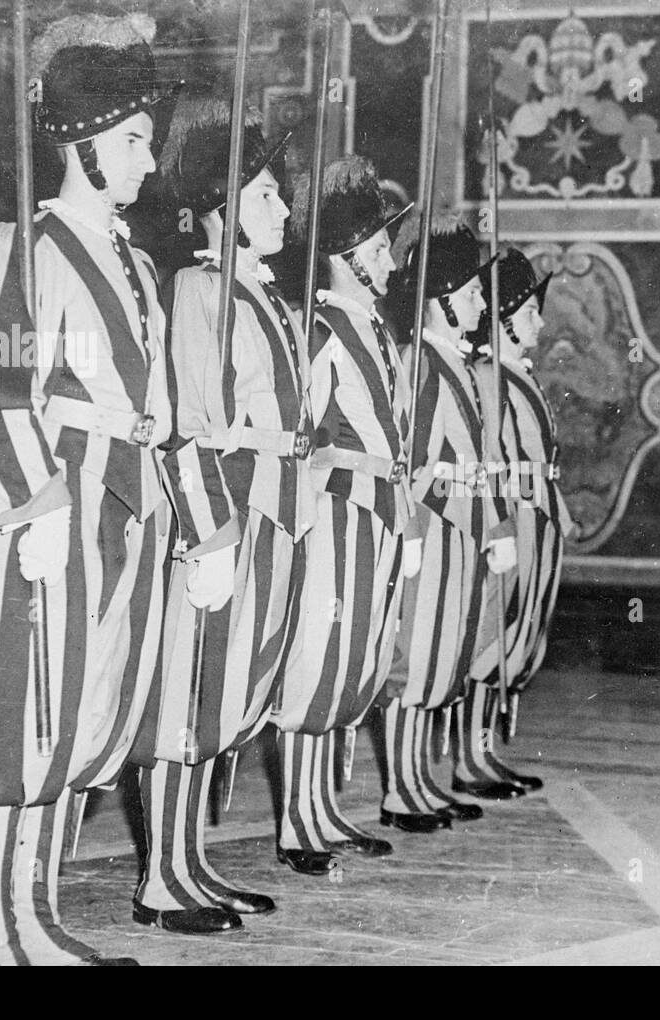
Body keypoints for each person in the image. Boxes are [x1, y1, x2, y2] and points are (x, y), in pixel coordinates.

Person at [0, 12, 175, 965]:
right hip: (51, 509)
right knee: (20, 725)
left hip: (122, 511)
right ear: (81, 145)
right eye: (132, 142)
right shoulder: (26, 248)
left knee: (81, 717)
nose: (149, 161)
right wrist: (35, 508)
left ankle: (35, 919)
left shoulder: (131, 259)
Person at [129, 97, 309, 930]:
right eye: (267, 195)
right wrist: (208, 538)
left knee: (230, 697)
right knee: (191, 695)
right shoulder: (199, 289)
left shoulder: (262, 294)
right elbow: (189, 424)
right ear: (222, 208)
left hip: (274, 510)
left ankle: (192, 862)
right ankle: (162, 877)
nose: (283, 209)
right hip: (228, 514)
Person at [275, 156, 413, 873]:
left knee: (357, 658)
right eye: (379, 250)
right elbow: (302, 431)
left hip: (382, 512)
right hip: (336, 513)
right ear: (345, 259)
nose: (391, 262)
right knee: (318, 660)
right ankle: (298, 817)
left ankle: (325, 806)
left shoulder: (378, 330)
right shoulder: (322, 327)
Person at [380, 218, 516, 829]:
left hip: (463, 532)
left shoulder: (458, 365)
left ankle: (421, 779)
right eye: (471, 293)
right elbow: (413, 463)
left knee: (445, 659)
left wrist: (490, 522)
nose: (483, 303)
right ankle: (400, 789)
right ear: (439, 298)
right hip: (433, 532)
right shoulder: (420, 364)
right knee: (416, 658)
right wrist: (455, 511)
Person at [462, 248, 570, 793]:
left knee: (519, 631)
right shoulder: (487, 376)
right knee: (494, 632)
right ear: (502, 318)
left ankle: (483, 753)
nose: (541, 323)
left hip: (538, 512)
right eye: (530, 312)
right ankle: (468, 759)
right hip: (511, 514)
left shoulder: (518, 375)